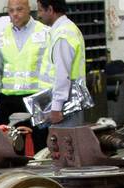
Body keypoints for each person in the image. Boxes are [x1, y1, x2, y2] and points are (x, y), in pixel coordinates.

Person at [0, 1, 48, 138]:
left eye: (19, 9)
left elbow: (52, 68)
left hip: (36, 99)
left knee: (41, 144)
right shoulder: (1, 36)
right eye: (11, 10)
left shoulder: (45, 33)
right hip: (8, 100)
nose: (15, 14)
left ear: (29, 9)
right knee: (9, 147)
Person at [36, 0, 87, 128]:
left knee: (65, 145)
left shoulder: (62, 36)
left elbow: (62, 74)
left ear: (50, 10)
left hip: (65, 107)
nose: (39, 15)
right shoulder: (67, 29)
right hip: (69, 101)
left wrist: (56, 107)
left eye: (40, 10)